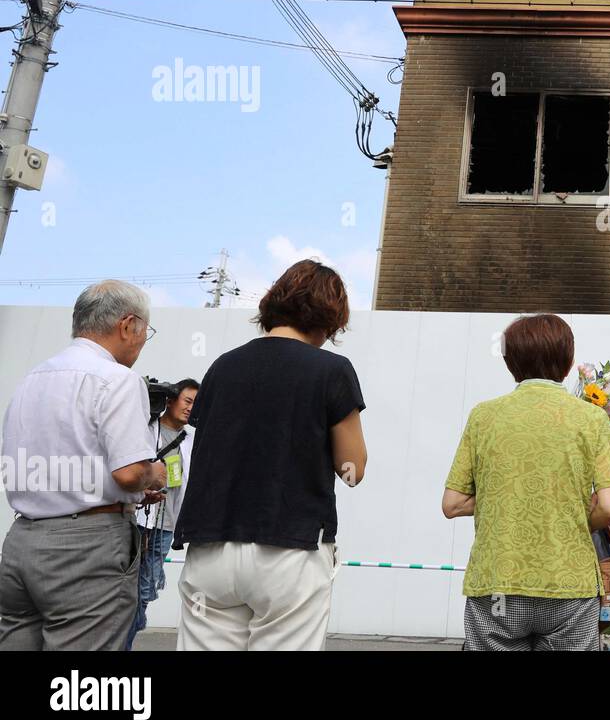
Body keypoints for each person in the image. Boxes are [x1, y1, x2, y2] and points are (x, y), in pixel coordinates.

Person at [174, 260, 367, 651]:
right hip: (290, 549)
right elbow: (352, 469)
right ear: (329, 317)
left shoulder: (221, 367)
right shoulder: (332, 370)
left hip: (211, 544)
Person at [0, 280, 167, 651]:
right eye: (145, 331)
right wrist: (154, 473)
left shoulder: (32, 378)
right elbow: (129, 473)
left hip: (21, 541)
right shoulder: (118, 379)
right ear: (127, 325)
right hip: (86, 548)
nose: (142, 341)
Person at [442, 314, 610, 651]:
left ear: (511, 363)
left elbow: (452, 504)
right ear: (568, 363)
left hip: (497, 582)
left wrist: (509, 496)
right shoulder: (591, 418)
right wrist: (568, 509)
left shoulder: (484, 416)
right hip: (569, 585)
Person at [126, 378, 200, 650]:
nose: (191, 408)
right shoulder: (147, 429)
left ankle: (127, 635)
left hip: (166, 525)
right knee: (132, 592)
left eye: (196, 404)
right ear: (170, 400)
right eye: (187, 401)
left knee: (145, 592)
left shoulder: (193, 438)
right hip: (139, 521)